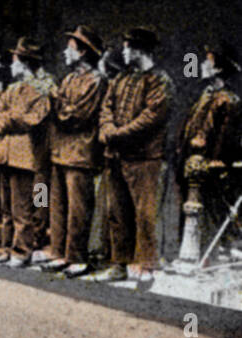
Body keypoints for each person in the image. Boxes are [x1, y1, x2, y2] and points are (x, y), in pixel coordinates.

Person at [96, 26, 174, 282]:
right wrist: (108, 128)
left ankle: (147, 265)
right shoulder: (122, 78)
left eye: (128, 47)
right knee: (117, 213)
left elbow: (151, 118)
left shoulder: (160, 80)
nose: (125, 51)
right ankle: (120, 264)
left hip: (145, 158)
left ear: (139, 49)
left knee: (145, 214)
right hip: (117, 156)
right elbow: (106, 107)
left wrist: (116, 134)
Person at [40, 26, 107, 278]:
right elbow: (61, 111)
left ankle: (77, 257)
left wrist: (57, 101)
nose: (64, 52)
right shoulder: (68, 79)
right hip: (61, 151)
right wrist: (59, 103)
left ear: (82, 52)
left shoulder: (96, 81)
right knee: (57, 206)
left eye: (70, 47)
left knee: (78, 209)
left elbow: (76, 116)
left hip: (80, 153)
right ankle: (58, 253)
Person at [0, 39, 53, 267]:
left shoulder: (41, 90)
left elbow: (32, 120)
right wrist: (13, 118)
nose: (11, 65)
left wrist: (9, 118)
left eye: (15, 60)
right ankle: (7, 247)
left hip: (26, 157)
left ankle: (22, 249)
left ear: (24, 63)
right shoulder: (11, 89)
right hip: (5, 154)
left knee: (23, 207)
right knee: (6, 207)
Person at [176, 42, 242, 254]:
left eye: (207, 61)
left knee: (213, 214)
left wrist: (215, 164)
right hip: (192, 165)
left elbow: (226, 138)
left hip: (210, 170)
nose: (201, 64)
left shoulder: (228, 100)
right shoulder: (205, 96)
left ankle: (216, 254)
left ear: (219, 68)